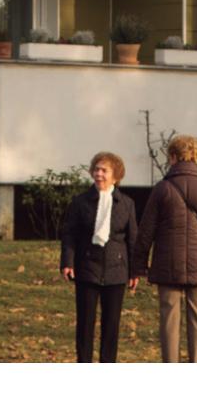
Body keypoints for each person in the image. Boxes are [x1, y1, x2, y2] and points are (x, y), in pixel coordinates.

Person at [131, 133, 197, 363]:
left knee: (169, 319)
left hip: (167, 264)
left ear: (172, 157)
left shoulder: (163, 188)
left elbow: (145, 231)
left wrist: (138, 266)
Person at [59, 151, 138, 363]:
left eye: (104, 170)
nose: (99, 174)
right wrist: (67, 262)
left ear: (116, 176)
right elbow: (69, 234)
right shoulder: (80, 202)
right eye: (96, 169)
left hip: (117, 271)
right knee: (85, 323)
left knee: (111, 325)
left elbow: (132, 239)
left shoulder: (127, 204)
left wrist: (135, 271)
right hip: (87, 269)